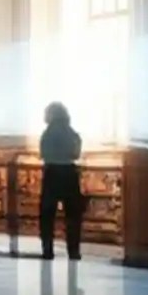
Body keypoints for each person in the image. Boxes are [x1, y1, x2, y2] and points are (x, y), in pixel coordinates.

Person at [39, 102, 84, 261]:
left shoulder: (48, 133)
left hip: (52, 172)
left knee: (47, 214)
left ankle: (47, 249)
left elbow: (43, 153)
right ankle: (73, 250)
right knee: (73, 214)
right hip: (69, 173)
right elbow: (76, 154)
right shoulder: (72, 133)